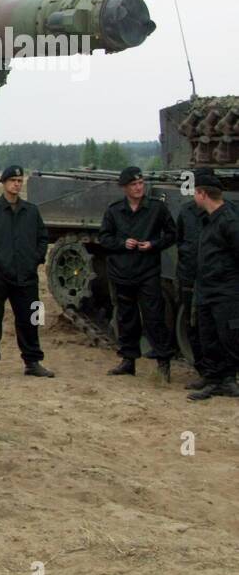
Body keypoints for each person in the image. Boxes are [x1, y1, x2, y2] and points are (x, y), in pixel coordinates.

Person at [98, 166, 177, 381]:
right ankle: (128, 360)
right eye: (134, 184)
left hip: (147, 270)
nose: (139, 187)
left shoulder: (156, 209)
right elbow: (104, 238)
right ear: (125, 188)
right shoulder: (114, 211)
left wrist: (154, 244)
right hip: (122, 272)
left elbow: (172, 234)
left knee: (154, 317)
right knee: (126, 318)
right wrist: (122, 243)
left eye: (141, 183)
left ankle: (163, 362)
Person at [0, 165, 55, 377]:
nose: (17, 184)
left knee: (31, 318)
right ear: (4, 183)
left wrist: (35, 259)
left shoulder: (31, 211)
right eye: (13, 180)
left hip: (27, 275)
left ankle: (33, 362)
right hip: (0, 275)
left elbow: (42, 238)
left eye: (20, 181)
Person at [185, 168, 239, 400]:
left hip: (225, 289)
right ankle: (214, 378)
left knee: (227, 336)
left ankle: (227, 380)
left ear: (202, 193)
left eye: (195, 192)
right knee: (208, 335)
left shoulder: (229, 221)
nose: (193, 197)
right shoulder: (209, 220)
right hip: (207, 288)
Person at [174, 189, 213, 391]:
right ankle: (204, 372)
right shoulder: (186, 211)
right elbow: (179, 239)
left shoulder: (223, 212)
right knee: (193, 325)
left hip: (215, 278)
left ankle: (220, 375)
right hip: (190, 275)